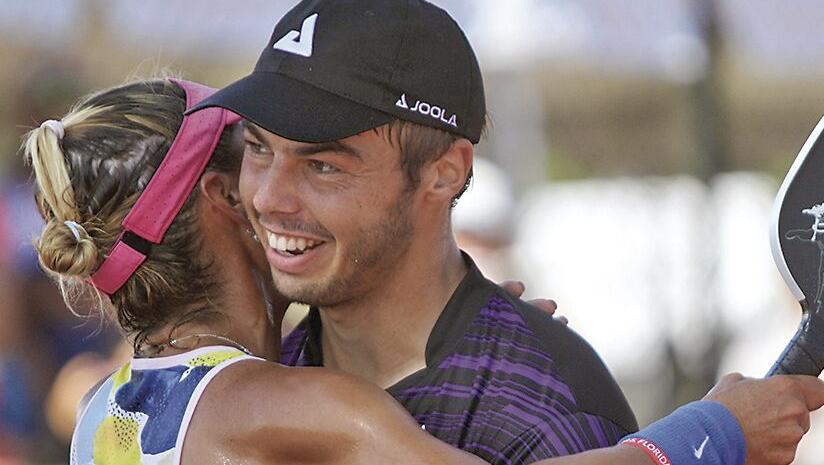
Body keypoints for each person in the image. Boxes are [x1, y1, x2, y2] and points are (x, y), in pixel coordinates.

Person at [24, 77, 824, 465]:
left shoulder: (107, 406)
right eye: (259, 157)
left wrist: (446, 321)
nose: (281, 194)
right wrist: (717, 430)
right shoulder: (288, 406)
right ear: (223, 198)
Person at [189, 1, 824, 464]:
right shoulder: (256, 376)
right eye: (261, 150)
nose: (268, 197)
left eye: (323, 165)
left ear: (445, 173)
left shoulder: (542, 412)